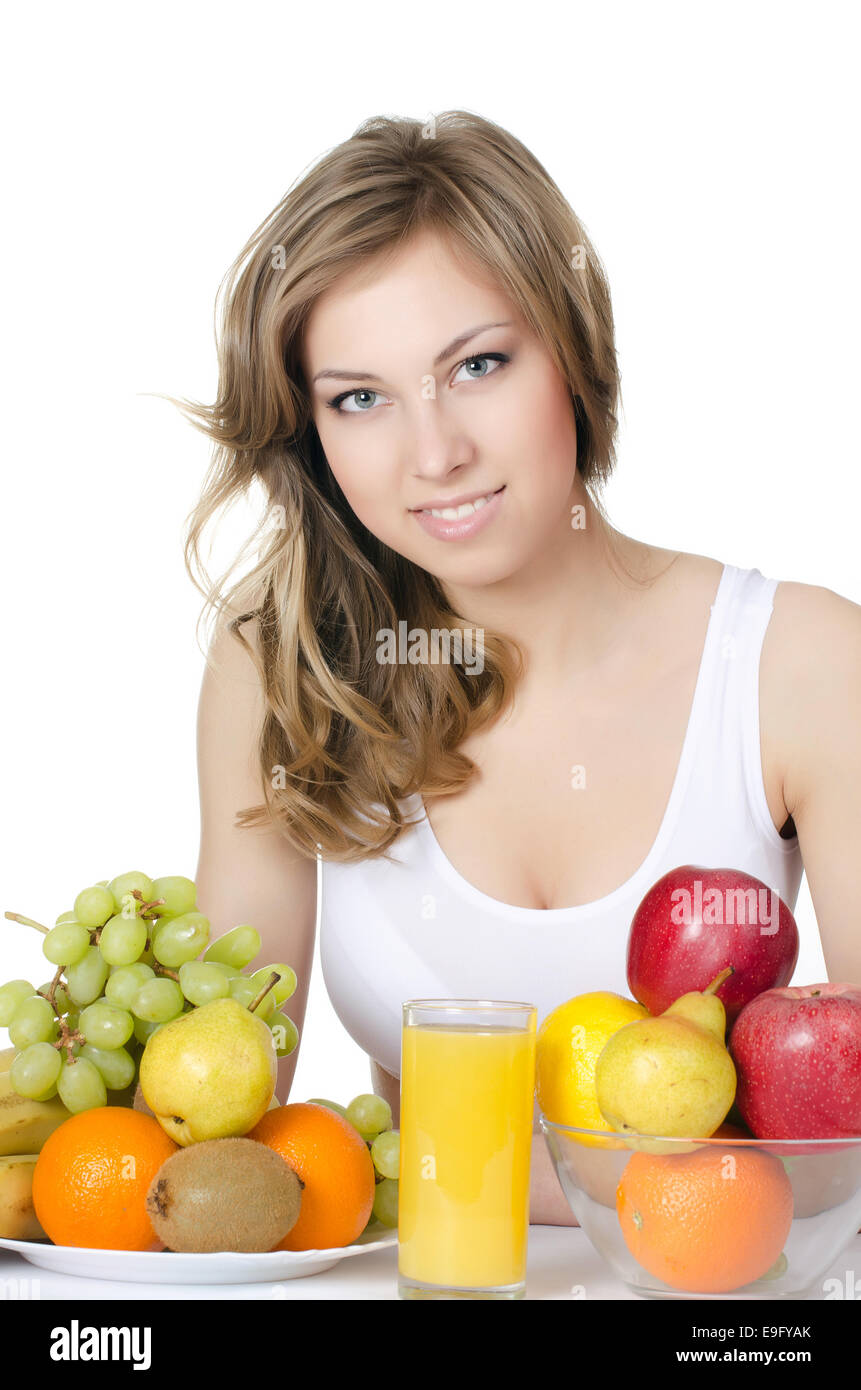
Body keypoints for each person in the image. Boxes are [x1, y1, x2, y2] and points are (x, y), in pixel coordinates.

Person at [176, 111, 861, 1227]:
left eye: (479, 365)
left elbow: (854, 1134)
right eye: (360, 397)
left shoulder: (803, 664)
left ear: (573, 354)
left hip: (718, 1303)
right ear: (311, 434)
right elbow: (212, 1112)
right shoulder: (285, 670)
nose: (434, 452)